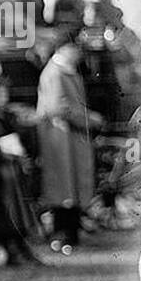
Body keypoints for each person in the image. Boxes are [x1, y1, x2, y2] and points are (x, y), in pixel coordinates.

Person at [36, 23, 103, 253]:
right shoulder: (56, 73)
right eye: (77, 47)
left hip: (69, 137)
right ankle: (63, 235)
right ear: (65, 48)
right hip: (61, 139)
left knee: (71, 187)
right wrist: (90, 119)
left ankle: (71, 233)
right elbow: (58, 107)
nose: (80, 52)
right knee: (64, 189)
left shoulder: (66, 70)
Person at [0, 75, 41, 264]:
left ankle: (21, 250)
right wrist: (1, 149)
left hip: (8, 174)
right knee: (6, 216)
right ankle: (13, 251)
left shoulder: (1, 116)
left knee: (16, 214)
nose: (4, 97)